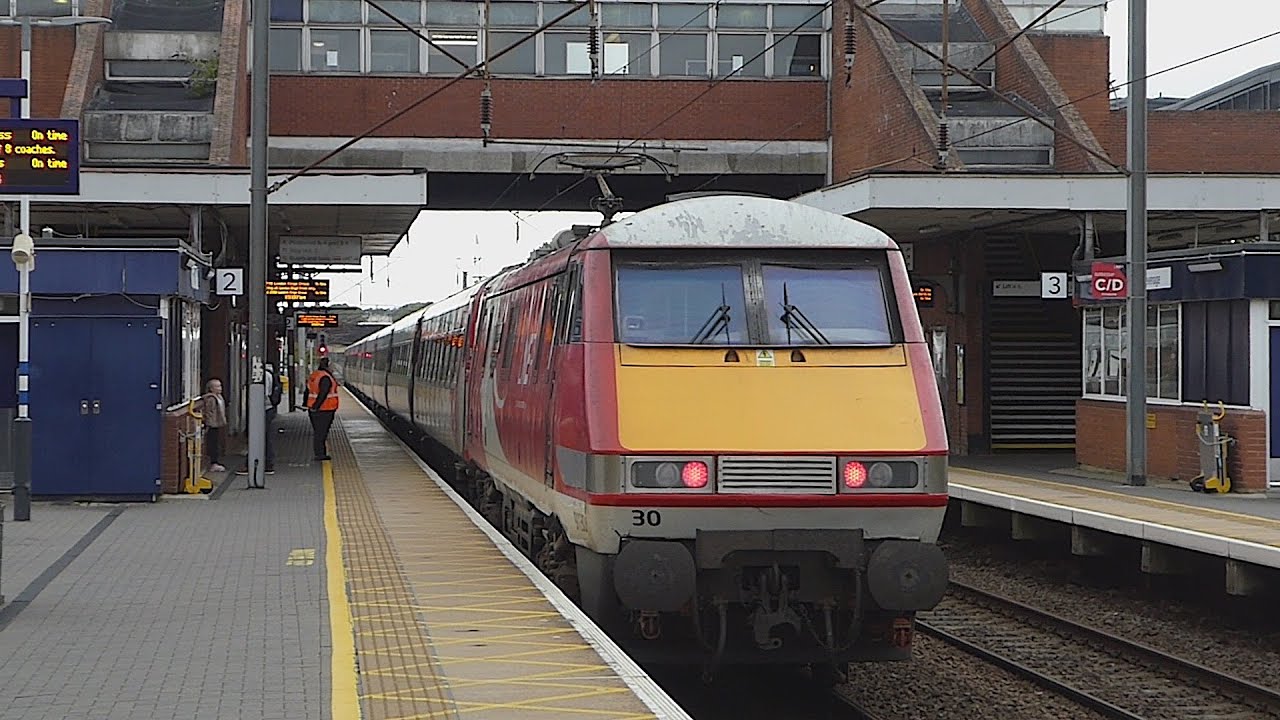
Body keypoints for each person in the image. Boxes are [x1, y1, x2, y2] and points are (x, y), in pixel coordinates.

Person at [237, 363, 281, 476]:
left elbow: (263, 394)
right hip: (268, 409)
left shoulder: (264, 376)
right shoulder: (270, 374)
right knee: (265, 436)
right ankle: (266, 464)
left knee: (258, 436)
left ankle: (256, 464)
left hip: (263, 409)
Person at [305, 357, 339, 461]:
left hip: (314, 410)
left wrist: (308, 405)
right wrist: (316, 406)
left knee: (318, 432)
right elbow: (323, 394)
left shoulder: (314, 375)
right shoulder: (325, 377)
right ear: (328, 365)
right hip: (324, 410)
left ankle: (320, 453)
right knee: (321, 433)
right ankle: (320, 454)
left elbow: (307, 391)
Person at [197, 379, 227, 473]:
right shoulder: (211, 399)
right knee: (212, 443)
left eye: (220, 386)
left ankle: (215, 462)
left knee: (216, 442)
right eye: (217, 386)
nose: (220, 388)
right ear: (211, 388)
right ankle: (213, 463)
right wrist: (208, 423)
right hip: (212, 424)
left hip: (217, 423)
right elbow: (209, 412)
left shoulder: (219, 397)